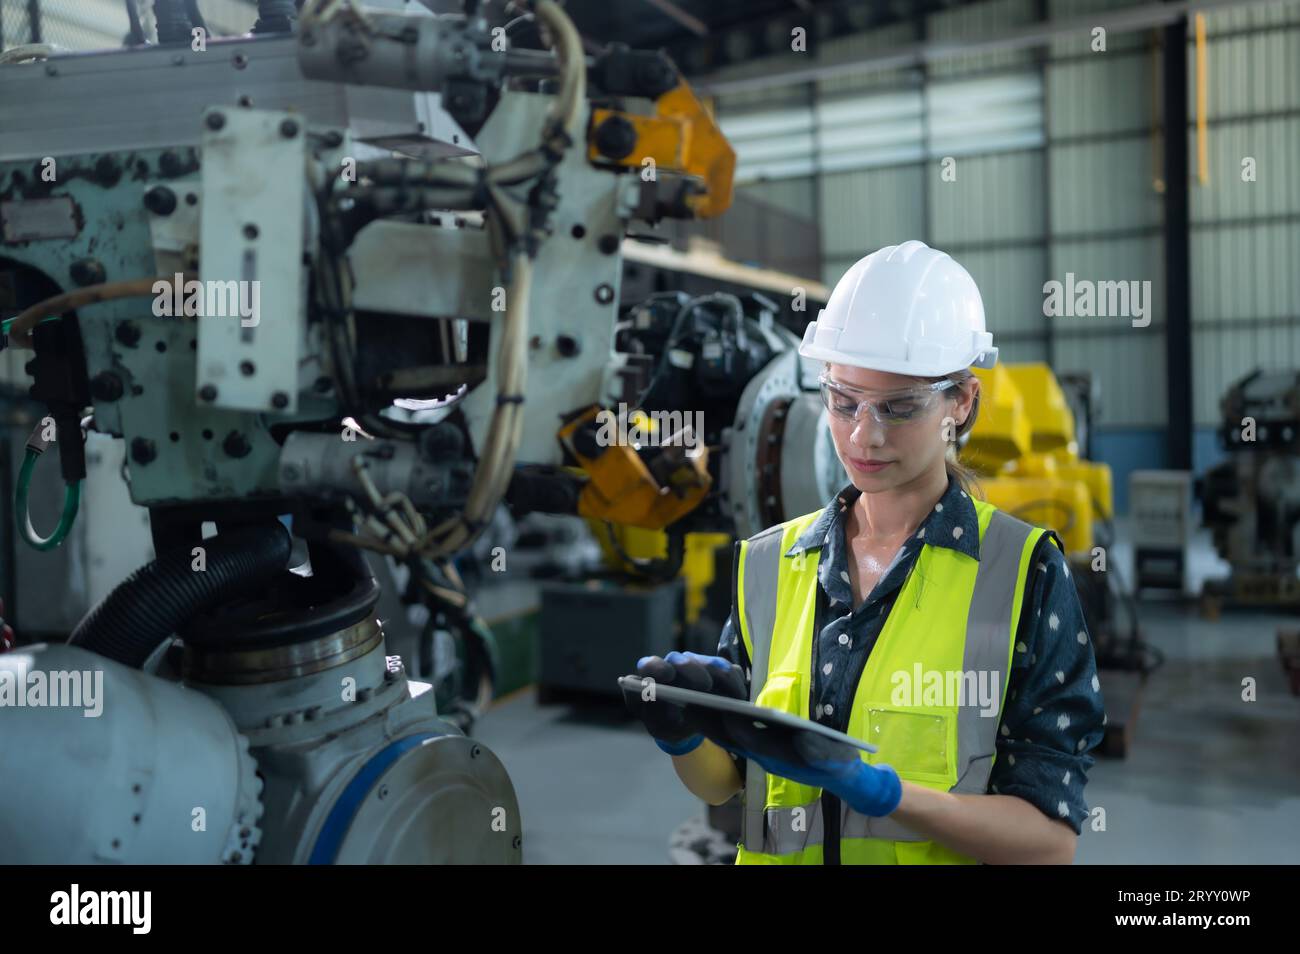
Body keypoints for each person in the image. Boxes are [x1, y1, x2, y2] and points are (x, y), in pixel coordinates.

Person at [625, 240, 1106, 865]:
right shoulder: (770, 563)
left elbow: (1049, 842)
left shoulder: (1022, 572)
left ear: (961, 402)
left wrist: (885, 794)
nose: (863, 436)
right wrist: (685, 733)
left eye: (898, 408)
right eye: (843, 400)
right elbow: (729, 785)